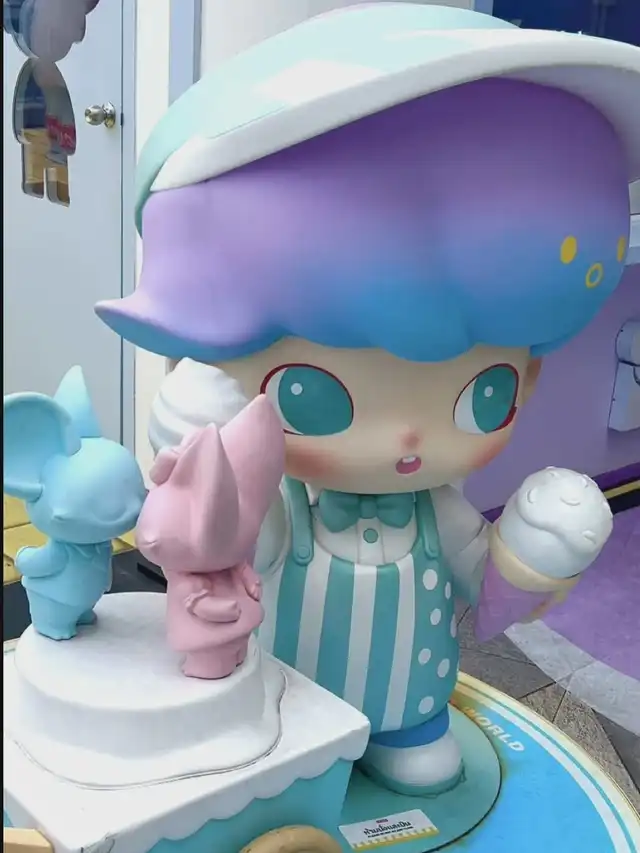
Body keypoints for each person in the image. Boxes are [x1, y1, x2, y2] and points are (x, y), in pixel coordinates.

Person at [96, 4, 640, 796]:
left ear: (525, 377)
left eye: (483, 393)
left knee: (429, 768)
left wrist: (535, 553)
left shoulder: (437, 510)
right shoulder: (291, 503)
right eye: (315, 394)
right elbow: (226, 551)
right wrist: (204, 472)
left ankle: (400, 733)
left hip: (412, 703)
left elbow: (487, 595)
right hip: (287, 702)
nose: (407, 436)